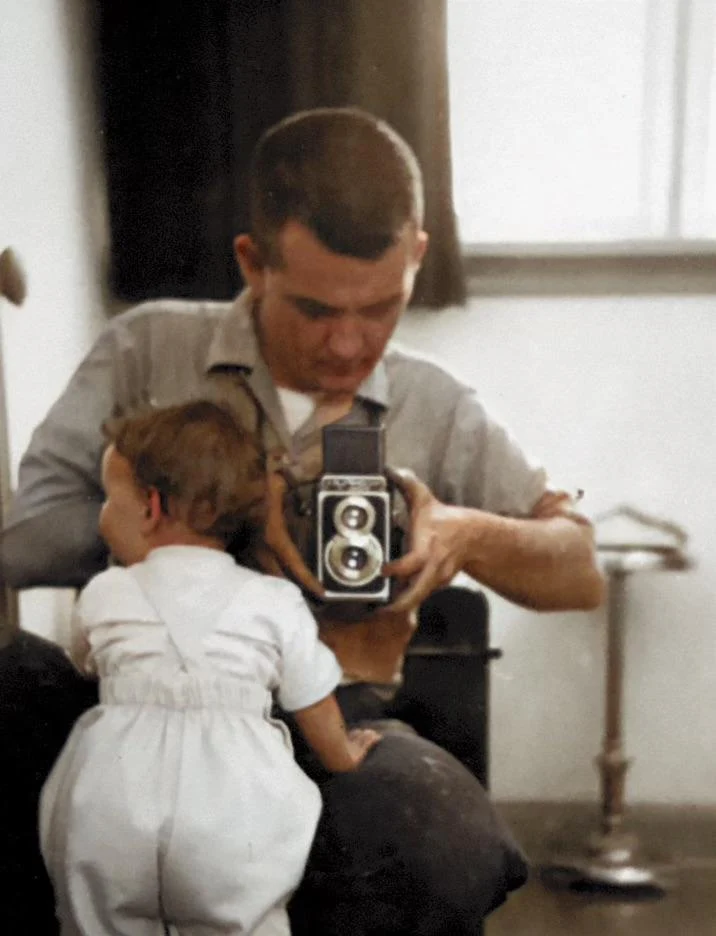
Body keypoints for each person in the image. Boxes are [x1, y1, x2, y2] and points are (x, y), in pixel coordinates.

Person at [1, 108, 605, 934]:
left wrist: (465, 532)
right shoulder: (147, 350)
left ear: (418, 256)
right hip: (135, 703)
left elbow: (580, 570)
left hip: (337, 716)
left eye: (383, 307)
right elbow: (25, 541)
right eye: (316, 309)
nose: (350, 346)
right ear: (253, 262)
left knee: (444, 844)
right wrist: (220, 529)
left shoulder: (436, 403)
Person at [39, 400, 381, 936]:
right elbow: (313, 696)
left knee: (99, 920)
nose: (103, 514)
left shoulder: (107, 592)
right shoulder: (274, 600)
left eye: (109, 498)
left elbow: (85, 661)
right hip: (234, 814)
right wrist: (343, 754)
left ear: (152, 507)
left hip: (111, 804)